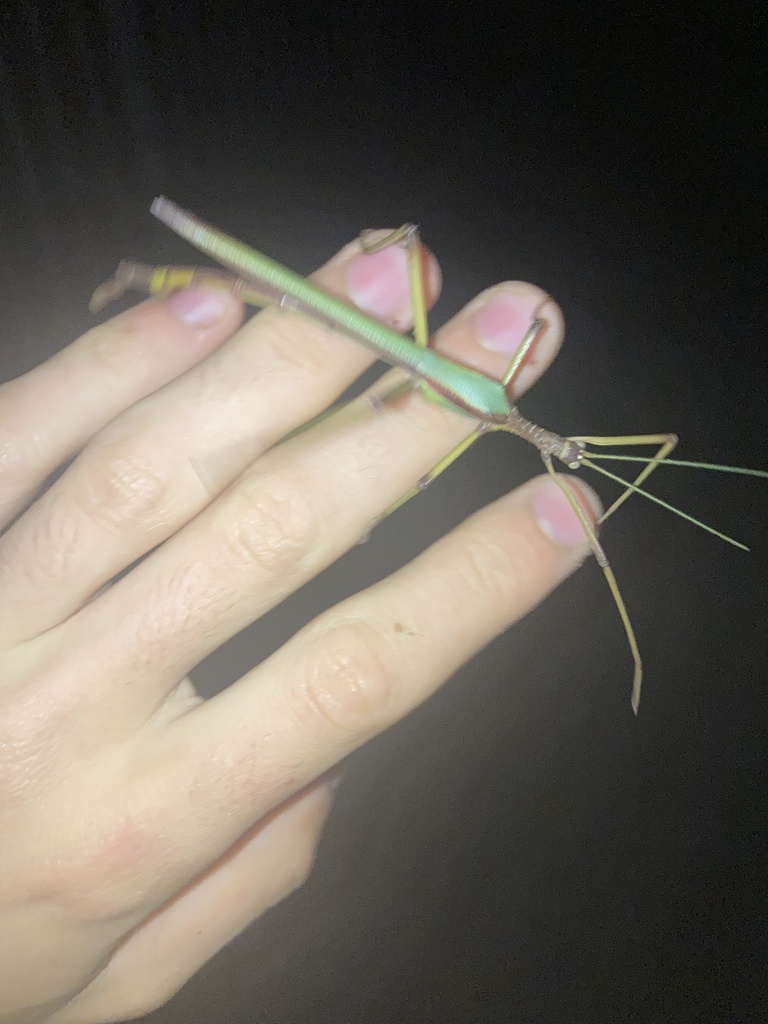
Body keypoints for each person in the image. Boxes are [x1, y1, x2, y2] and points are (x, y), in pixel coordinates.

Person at [0, 230, 599, 1023]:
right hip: (390, 349)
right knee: (329, 317)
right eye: (563, 449)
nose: (562, 450)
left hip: (407, 360)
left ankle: (171, 267)